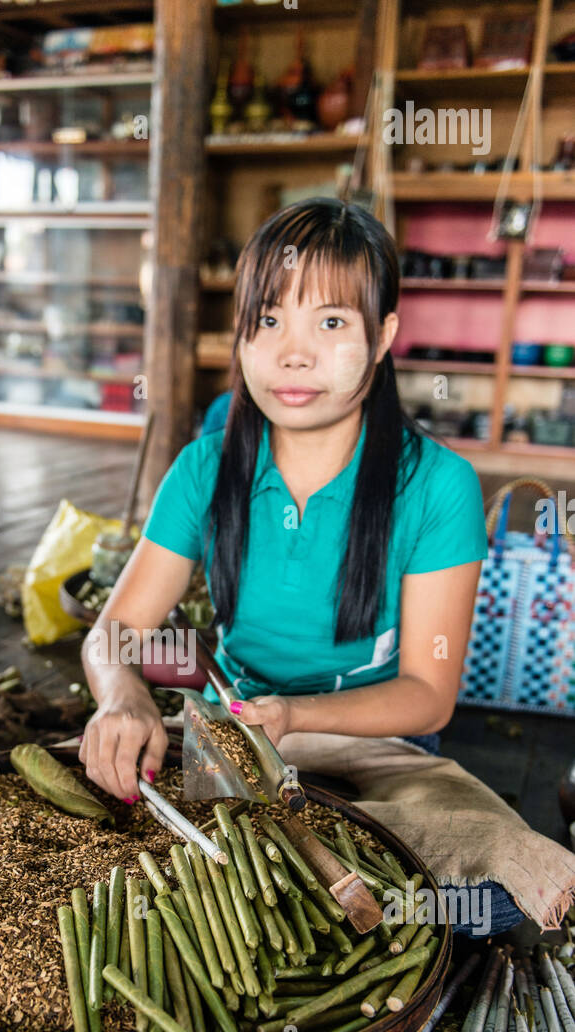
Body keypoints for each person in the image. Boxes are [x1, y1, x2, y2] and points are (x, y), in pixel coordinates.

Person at [79, 197, 522, 935]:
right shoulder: (204, 469)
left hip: (374, 740)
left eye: (330, 322)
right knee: (162, 889)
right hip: (232, 730)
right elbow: (116, 631)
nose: (292, 352)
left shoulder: (436, 485)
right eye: (267, 320)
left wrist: (295, 716)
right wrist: (120, 695)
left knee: (487, 902)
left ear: (382, 337)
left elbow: (427, 695)